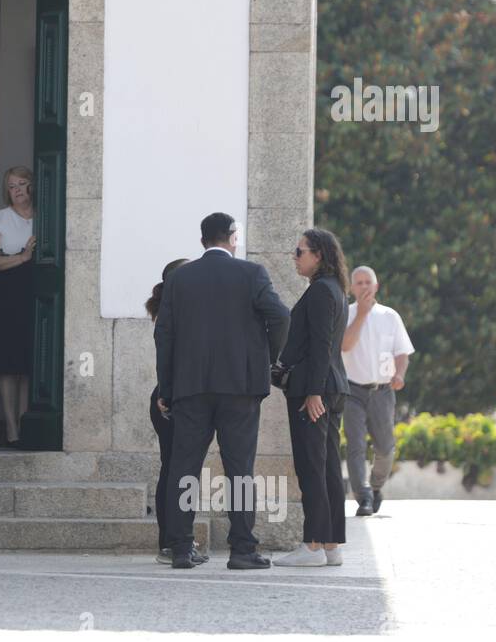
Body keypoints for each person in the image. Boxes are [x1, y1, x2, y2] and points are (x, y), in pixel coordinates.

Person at [154, 212, 290, 570]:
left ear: (202, 241)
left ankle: (181, 547)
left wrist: (165, 387)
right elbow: (280, 316)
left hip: (190, 387)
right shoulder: (252, 274)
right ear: (232, 237)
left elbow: (164, 336)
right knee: (240, 468)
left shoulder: (180, 278)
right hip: (241, 387)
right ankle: (243, 548)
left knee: (184, 467)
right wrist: (265, 360)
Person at [273, 229, 352, 567]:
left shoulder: (321, 291)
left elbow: (321, 345)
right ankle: (331, 543)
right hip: (332, 387)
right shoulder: (335, 290)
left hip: (315, 390)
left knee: (312, 467)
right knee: (329, 466)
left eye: (299, 251)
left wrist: (313, 391)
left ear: (318, 254)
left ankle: (313, 545)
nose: (295, 257)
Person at [341, 265, 415, 516]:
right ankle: (362, 498)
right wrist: (361, 315)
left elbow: (402, 352)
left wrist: (399, 374)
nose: (363, 287)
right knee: (355, 446)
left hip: (382, 391)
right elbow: (345, 346)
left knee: (385, 447)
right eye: (358, 283)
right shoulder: (347, 314)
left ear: (376, 286)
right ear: (351, 288)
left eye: (367, 282)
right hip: (352, 391)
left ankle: (375, 487)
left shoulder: (390, 316)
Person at [146, 258, 205, 565]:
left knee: (176, 470)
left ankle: (179, 539)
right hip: (169, 399)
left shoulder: (180, 311)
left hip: (174, 396)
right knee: (174, 470)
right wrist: (167, 397)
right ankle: (171, 542)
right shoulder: (174, 315)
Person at [0, 166, 37, 445]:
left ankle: (27, 424)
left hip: (36, 292)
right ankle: (11, 428)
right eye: (12, 186)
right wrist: (22, 258)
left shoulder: (45, 216)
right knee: (7, 363)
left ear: (33, 186)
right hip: (6, 293)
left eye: (22, 184)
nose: (17, 190)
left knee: (29, 362)